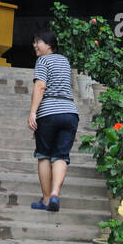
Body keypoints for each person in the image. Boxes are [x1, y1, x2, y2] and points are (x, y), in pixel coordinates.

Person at [28, 29, 79, 212]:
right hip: (70, 113)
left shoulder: (42, 60)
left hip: (49, 113)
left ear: (49, 44)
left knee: (43, 156)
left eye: (38, 41)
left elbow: (40, 86)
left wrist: (33, 112)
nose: (35, 45)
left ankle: (47, 199)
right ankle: (56, 193)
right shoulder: (64, 60)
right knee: (61, 156)